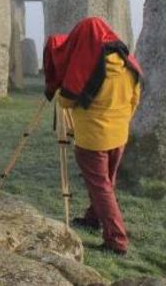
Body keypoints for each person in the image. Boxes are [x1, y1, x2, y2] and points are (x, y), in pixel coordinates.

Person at [42, 16, 141, 256]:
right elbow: (135, 97)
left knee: (101, 187)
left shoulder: (87, 65)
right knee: (106, 182)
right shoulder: (127, 61)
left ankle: (116, 240)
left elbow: (66, 100)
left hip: (93, 137)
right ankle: (92, 218)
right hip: (119, 133)